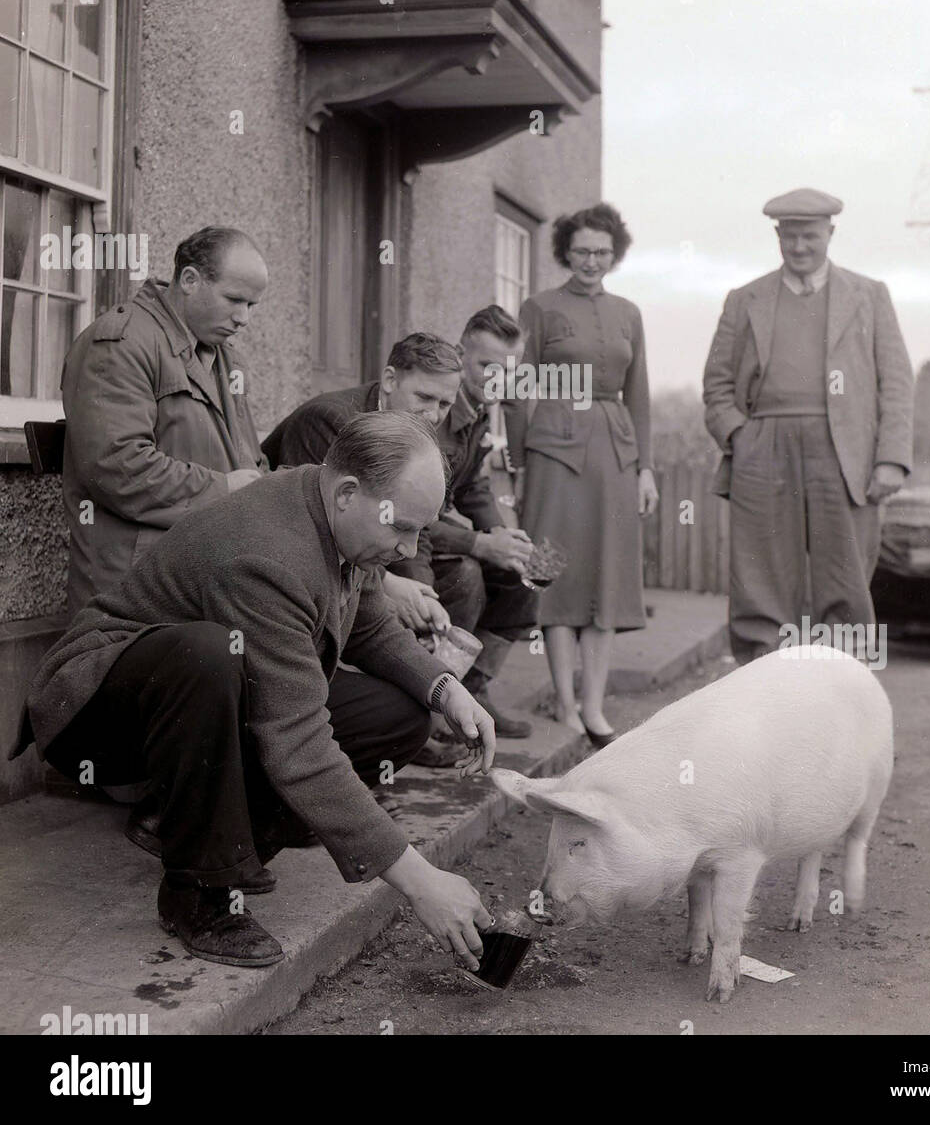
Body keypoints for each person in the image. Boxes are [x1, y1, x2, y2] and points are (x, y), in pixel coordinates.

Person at [16, 413, 496, 972]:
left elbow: (369, 628)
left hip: (193, 704)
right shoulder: (265, 553)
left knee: (398, 714)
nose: (407, 548)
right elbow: (299, 741)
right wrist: (420, 882)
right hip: (95, 709)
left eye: (420, 531)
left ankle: (217, 834)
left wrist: (445, 690)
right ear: (347, 493)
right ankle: (200, 892)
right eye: (401, 528)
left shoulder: (334, 513)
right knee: (209, 656)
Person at [702, 187, 914, 665]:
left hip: (845, 452)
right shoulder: (745, 299)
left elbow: (897, 381)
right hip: (762, 448)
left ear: (830, 234)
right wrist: (740, 435)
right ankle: (762, 690)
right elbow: (716, 381)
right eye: (790, 237)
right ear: (778, 236)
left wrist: (890, 459)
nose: (800, 247)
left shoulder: (869, 295)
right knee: (760, 582)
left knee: (846, 580)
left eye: (810, 237)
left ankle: (844, 691)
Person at [264, 331, 471, 766]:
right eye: (425, 397)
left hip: (354, 569)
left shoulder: (418, 434)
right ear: (390, 379)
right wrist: (391, 585)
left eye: (445, 405)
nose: (434, 415)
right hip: (285, 583)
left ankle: (398, 739)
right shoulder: (330, 422)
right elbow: (313, 526)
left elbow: (420, 524)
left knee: (449, 587)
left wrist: (421, 591)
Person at [505, 203, 658, 746]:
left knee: (607, 577)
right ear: (564, 252)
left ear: (614, 254)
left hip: (614, 455)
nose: (591, 260)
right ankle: (565, 704)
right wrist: (518, 465)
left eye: (601, 252)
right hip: (552, 453)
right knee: (555, 572)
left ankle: (594, 708)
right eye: (581, 251)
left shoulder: (629, 312)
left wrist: (645, 469)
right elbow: (519, 389)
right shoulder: (539, 307)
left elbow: (638, 395)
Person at [60, 226, 268, 617]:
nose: (243, 319)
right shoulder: (120, 344)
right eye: (234, 300)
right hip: (132, 593)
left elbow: (249, 463)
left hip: (200, 576)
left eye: (252, 306)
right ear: (189, 280)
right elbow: (116, 466)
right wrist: (223, 489)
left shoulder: (224, 358)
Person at [390, 306, 540, 740]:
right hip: (398, 542)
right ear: (460, 354)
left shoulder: (479, 412)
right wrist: (478, 544)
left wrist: (500, 535)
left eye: (507, 372)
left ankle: (474, 691)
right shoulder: (430, 413)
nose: (497, 381)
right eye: (486, 367)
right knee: (469, 575)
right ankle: (431, 710)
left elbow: (473, 486)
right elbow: (408, 517)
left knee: (522, 574)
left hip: (428, 534)